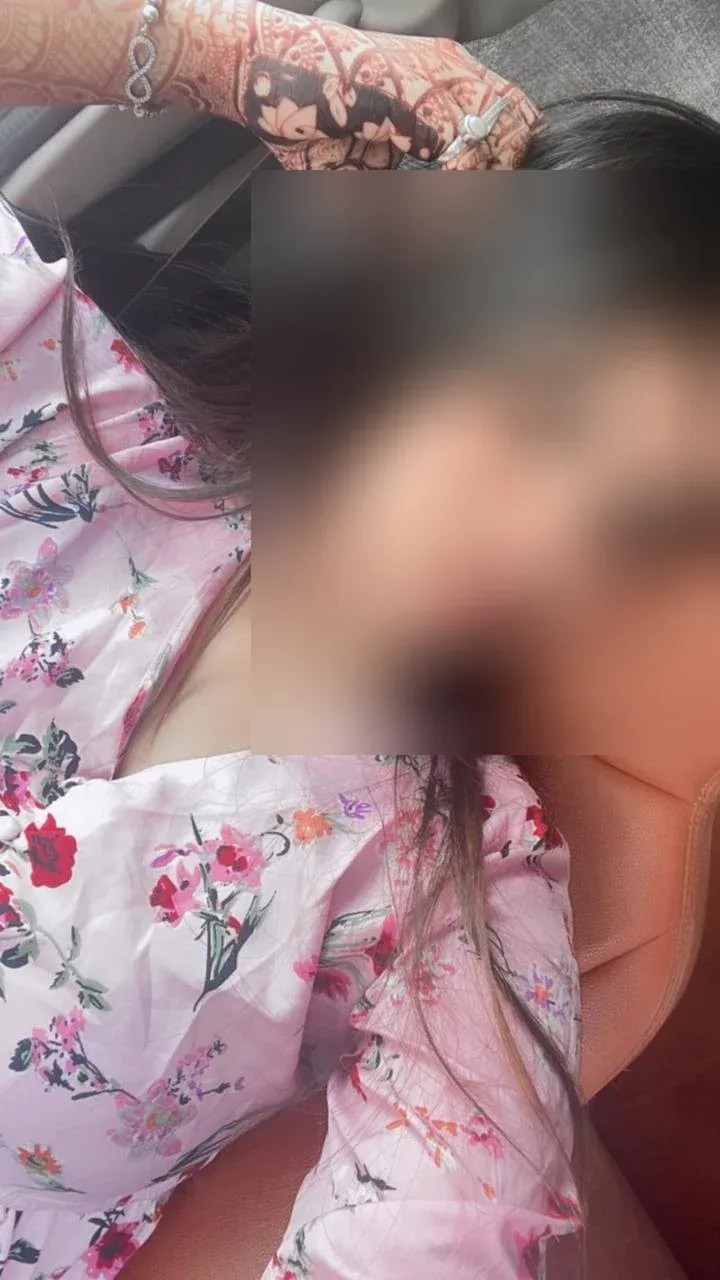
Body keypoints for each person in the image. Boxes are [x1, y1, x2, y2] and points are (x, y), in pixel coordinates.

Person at [1, 5, 719, 1280]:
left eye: (639, 525)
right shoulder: (64, 411)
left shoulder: (467, 924)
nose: (545, 544)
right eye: (550, 408)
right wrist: (220, 56)